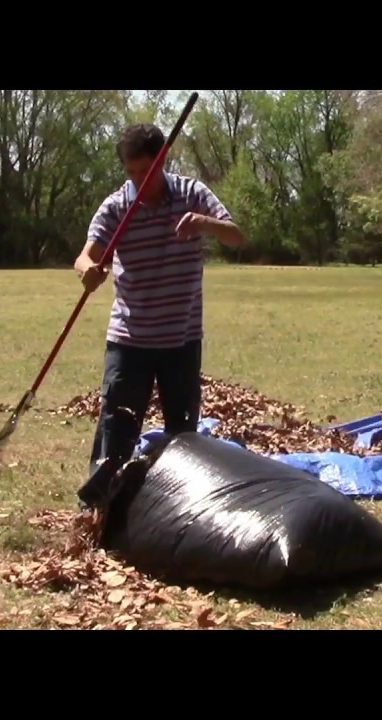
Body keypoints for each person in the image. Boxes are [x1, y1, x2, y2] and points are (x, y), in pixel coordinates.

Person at [74, 123, 246, 487]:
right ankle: (100, 505)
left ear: (162, 159)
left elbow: (236, 236)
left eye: (145, 171)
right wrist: (88, 270)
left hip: (181, 340)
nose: (138, 180)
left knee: (183, 435)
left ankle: (179, 505)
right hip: (129, 339)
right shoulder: (117, 206)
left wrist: (205, 223)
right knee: (116, 426)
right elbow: (86, 256)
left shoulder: (192, 193)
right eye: (131, 172)